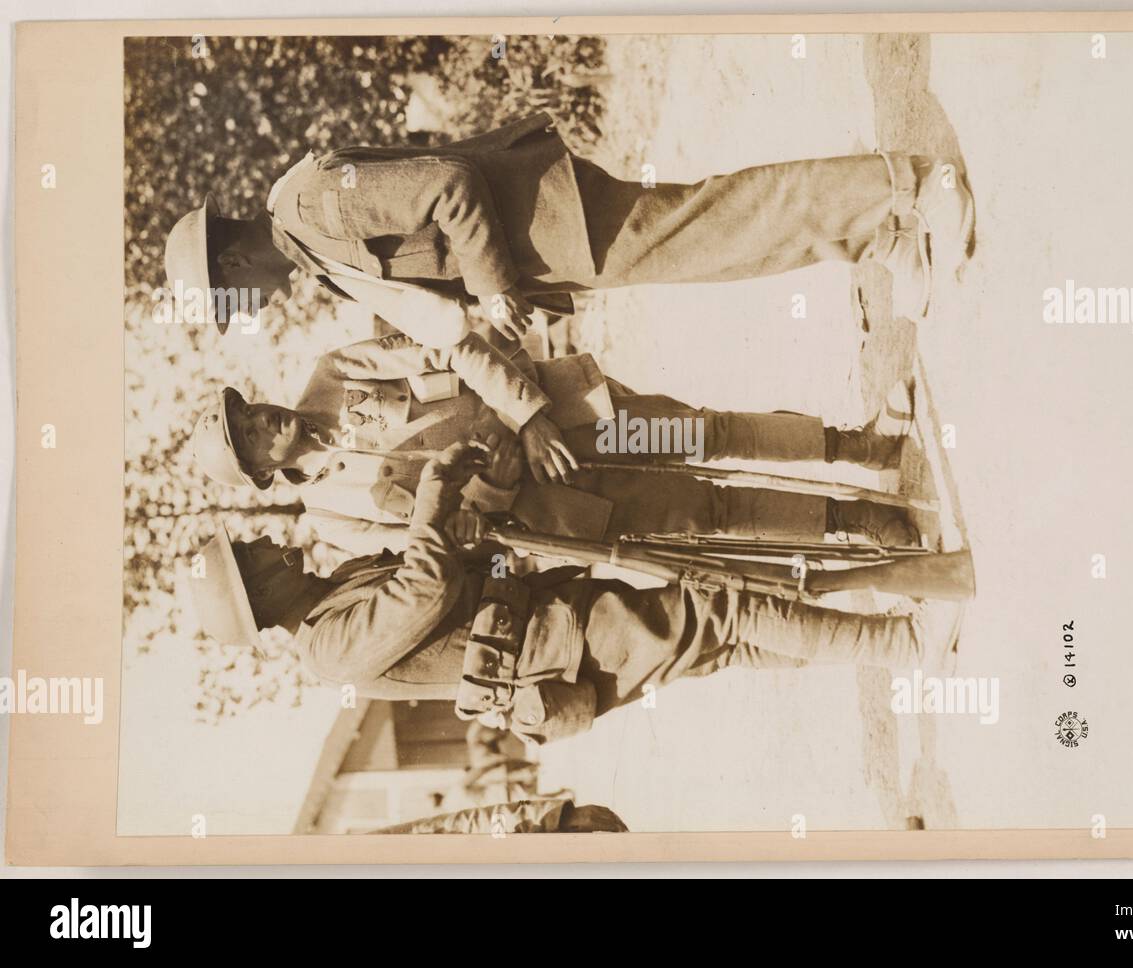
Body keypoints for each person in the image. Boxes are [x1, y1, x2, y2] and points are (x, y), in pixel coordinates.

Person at [178, 439, 964, 748]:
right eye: (256, 557)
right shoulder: (324, 646)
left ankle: (896, 641)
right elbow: (423, 590)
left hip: (553, 636)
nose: (269, 544)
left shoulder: (332, 598)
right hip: (558, 647)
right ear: (258, 594)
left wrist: (462, 510)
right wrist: (426, 508)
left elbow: (443, 581)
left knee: (721, 642)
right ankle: (899, 644)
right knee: (716, 608)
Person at [163, 112, 975, 344]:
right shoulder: (308, 246)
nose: (251, 314)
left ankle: (904, 185)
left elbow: (449, 185)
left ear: (234, 259)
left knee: (724, 221)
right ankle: (882, 232)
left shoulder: (310, 209)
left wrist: (492, 293)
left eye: (234, 303)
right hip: (551, 240)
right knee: (722, 246)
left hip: (551, 217)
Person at [187, 333, 923, 554]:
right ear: (260, 473)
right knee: (708, 511)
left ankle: (859, 445)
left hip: (562, 421)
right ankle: (857, 524)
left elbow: (453, 350)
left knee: (706, 430)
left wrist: (528, 417)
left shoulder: (334, 370)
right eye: (251, 438)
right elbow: (435, 545)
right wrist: (499, 488)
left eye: (249, 411)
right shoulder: (334, 519)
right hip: (552, 503)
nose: (265, 422)